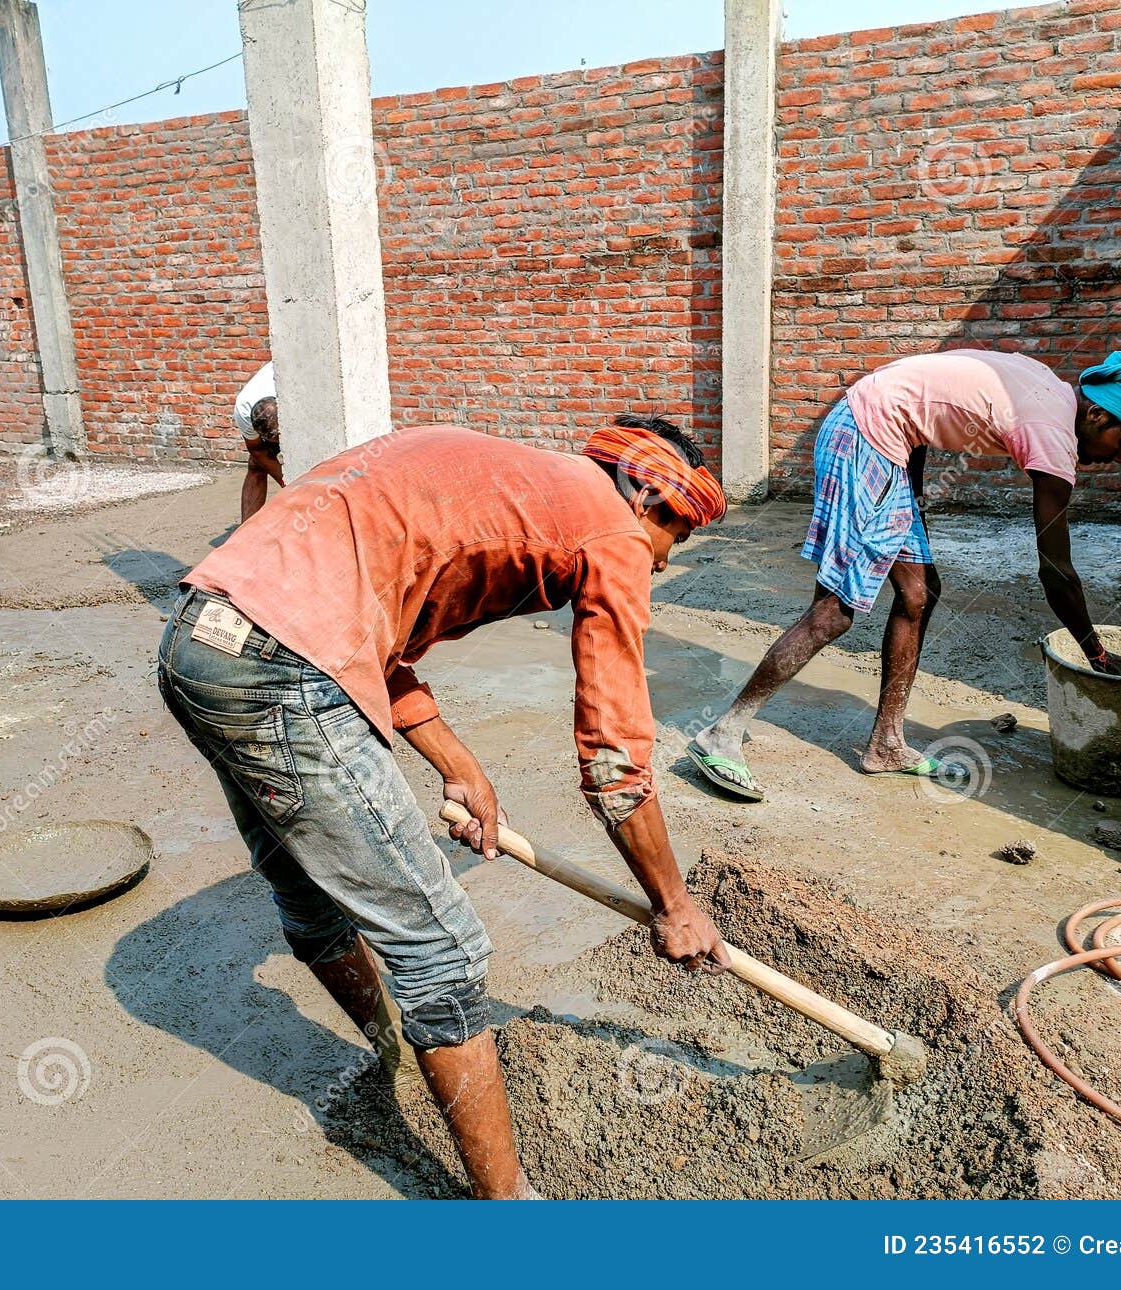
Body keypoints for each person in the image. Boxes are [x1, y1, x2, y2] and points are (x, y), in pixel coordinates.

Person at [158, 414, 730, 1198]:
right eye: (675, 544)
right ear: (653, 502)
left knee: (307, 887)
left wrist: (458, 764)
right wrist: (675, 903)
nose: (660, 566)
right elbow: (614, 762)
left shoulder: (498, 471)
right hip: (284, 668)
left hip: (199, 641)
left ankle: (389, 1058)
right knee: (443, 950)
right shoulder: (615, 534)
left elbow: (366, 629)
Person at [686, 347, 1121, 802]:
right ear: (1098, 413)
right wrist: (1095, 653)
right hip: (863, 435)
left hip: (885, 438)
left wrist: (911, 498)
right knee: (837, 608)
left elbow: (921, 402)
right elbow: (1055, 568)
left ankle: (886, 743)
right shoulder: (1052, 432)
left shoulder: (1048, 385)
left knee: (918, 593)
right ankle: (722, 732)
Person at [234, 360, 283, 521]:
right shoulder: (243, 410)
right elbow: (257, 451)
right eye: (272, 440)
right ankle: (246, 535)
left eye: (279, 438)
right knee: (256, 465)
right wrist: (287, 483)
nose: (277, 443)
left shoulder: (291, 392)